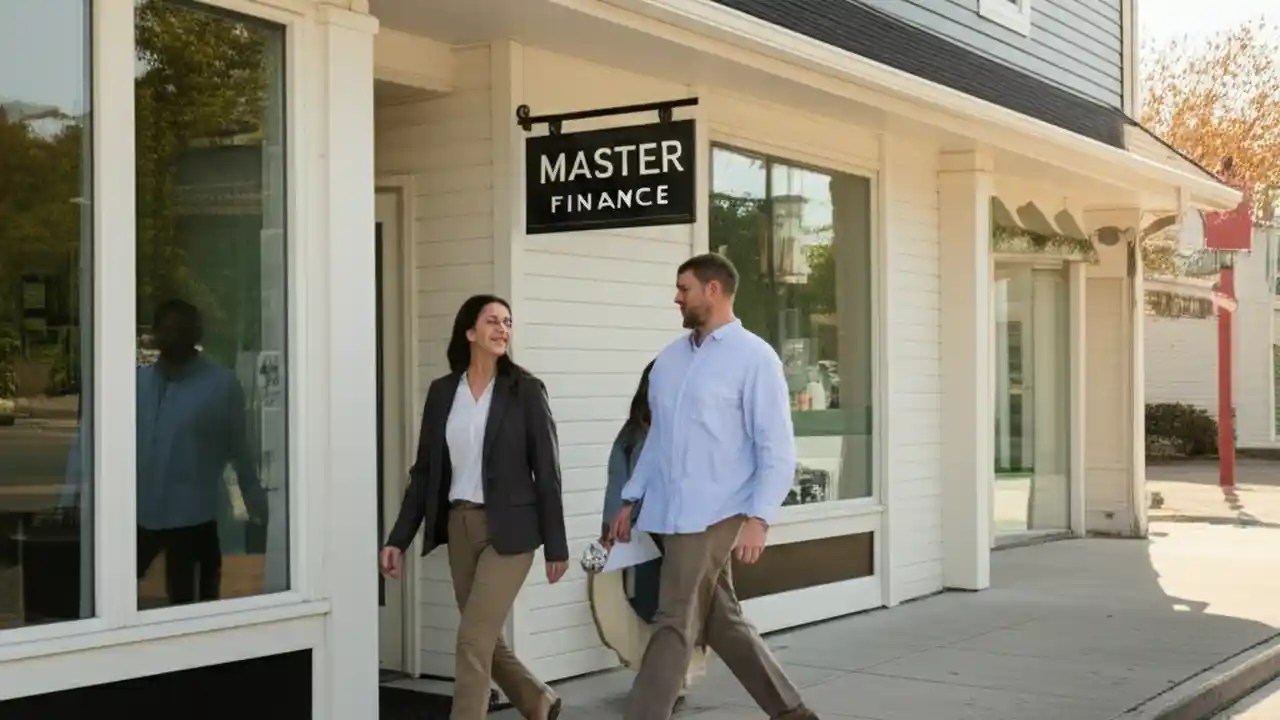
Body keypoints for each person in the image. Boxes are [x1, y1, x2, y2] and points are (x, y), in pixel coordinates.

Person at [609, 254, 818, 720]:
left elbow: (776, 447)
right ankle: (792, 712)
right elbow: (657, 438)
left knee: (674, 617)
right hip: (670, 511)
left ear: (714, 290)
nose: (677, 296)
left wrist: (760, 517)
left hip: (719, 509)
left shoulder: (755, 358)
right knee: (722, 621)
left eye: (684, 288)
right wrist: (630, 497)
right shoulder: (669, 360)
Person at [381, 294, 569, 720]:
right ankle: (537, 701)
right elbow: (425, 472)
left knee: (470, 641)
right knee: (482, 636)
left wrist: (556, 545)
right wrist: (398, 539)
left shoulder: (525, 391)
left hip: (512, 532)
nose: (502, 329)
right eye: (492, 321)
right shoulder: (443, 392)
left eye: (507, 322)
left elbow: (547, 470)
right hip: (460, 525)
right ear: (470, 332)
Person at [135, 299, 267, 605]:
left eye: (182, 330)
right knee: (111, 597)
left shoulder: (219, 385)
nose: (173, 337)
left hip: (194, 516)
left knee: (192, 607)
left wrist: (256, 504)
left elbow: (240, 449)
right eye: (166, 329)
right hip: (140, 512)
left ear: (197, 334)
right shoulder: (136, 383)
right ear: (154, 333)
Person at [600, 359, 662, 622]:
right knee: (648, 606)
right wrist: (609, 529)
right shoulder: (633, 433)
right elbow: (617, 478)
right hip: (642, 533)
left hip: (680, 529)